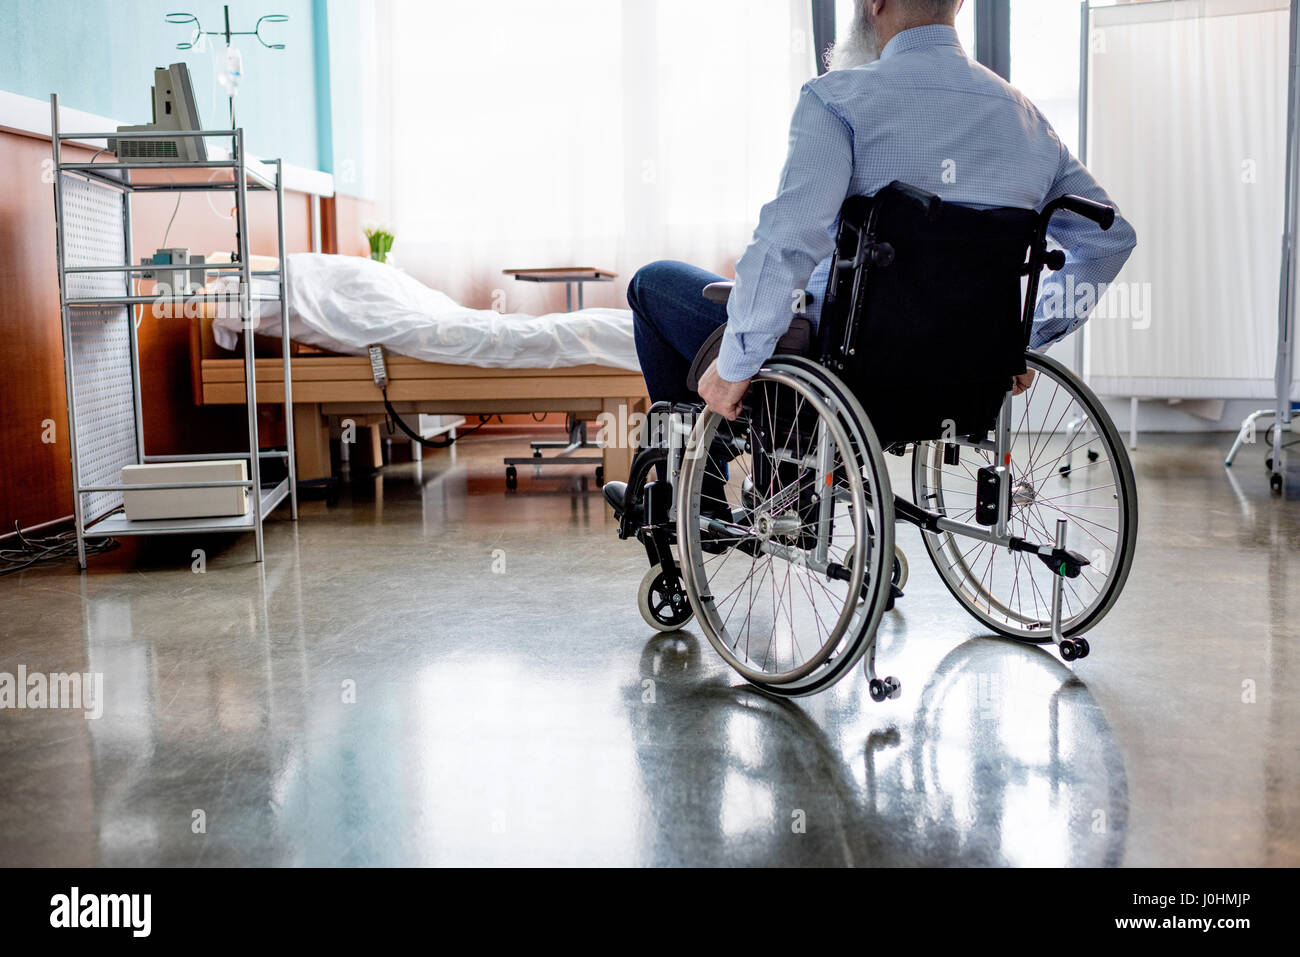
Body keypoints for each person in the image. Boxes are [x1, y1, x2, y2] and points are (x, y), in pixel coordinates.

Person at [605, 0, 1135, 514]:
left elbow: (788, 241)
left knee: (652, 283)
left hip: (843, 368)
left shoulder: (839, 99)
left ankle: (695, 496)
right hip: (966, 373)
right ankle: (766, 482)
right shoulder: (1027, 121)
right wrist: (1020, 339)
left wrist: (735, 364)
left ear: (874, 3)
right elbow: (1110, 237)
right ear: (959, 6)